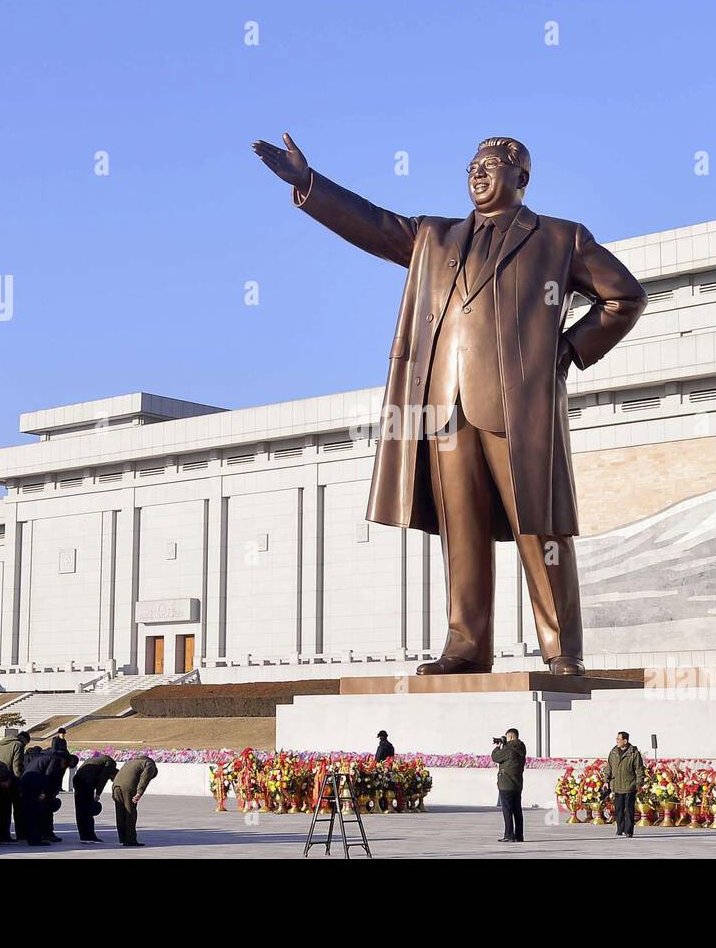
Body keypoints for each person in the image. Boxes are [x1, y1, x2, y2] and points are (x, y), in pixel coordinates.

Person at [254, 133, 646, 678]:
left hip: (519, 407)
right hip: (443, 406)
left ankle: (562, 650)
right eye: (473, 166)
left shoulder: (560, 238)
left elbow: (625, 296)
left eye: (492, 165)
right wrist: (310, 184)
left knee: (541, 527)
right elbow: (373, 224)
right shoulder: (433, 238)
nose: (478, 173)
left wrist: (565, 351)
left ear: (522, 178)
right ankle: (466, 645)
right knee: (461, 530)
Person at [603, 731, 645, 838]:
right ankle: (620, 828)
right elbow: (608, 767)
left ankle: (629, 831)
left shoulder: (634, 753)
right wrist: (606, 781)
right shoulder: (613, 752)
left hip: (630, 785)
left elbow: (639, 769)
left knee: (629, 809)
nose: (617, 741)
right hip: (617, 785)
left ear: (625, 741)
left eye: (619, 739)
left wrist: (639, 783)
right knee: (618, 808)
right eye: (617, 739)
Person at [111, 755, 157, 847]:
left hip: (116, 786)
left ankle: (123, 838)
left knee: (120, 813)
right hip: (128, 787)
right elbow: (144, 779)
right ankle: (130, 840)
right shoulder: (150, 764)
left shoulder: (130, 762)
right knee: (130, 813)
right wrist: (139, 793)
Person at [73, 753, 118, 843]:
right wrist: (98, 794)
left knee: (80, 810)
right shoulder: (111, 763)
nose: (110, 779)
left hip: (77, 780)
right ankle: (89, 836)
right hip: (86, 783)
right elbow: (103, 778)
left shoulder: (98, 760)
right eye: (112, 779)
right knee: (88, 811)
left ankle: (84, 836)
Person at [491, 728, 526, 843]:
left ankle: (509, 835)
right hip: (517, 784)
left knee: (507, 811)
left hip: (506, 784)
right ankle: (519, 836)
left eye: (506, 737)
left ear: (510, 737)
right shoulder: (521, 748)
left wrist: (497, 747)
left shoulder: (509, 749)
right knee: (517, 811)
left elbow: (495, 757)